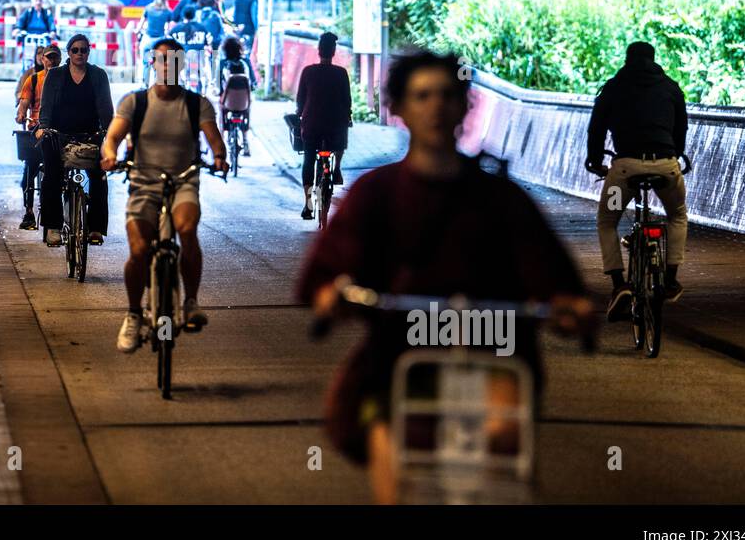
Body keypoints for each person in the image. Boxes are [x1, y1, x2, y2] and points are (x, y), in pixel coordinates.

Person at [296, 50, 594, 504]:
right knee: (390, 447)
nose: (435, 106)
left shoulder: (501, 198)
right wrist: (330, 295)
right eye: (422, 96)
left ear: (463, 107)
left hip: (494, 357)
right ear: (400, 109)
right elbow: (325, 273)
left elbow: (552, 275)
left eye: (446, 96)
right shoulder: (375, 194)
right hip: (399, 359)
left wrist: (569, 306)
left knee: (503, 446)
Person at [101, 38, 228, 352]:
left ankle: (191, 303)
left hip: (183, 182)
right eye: (162, 60)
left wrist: (219, 156)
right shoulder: (135, 102)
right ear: (153, 64)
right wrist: (109, 155)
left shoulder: (197, 103)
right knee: (139, 249)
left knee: (187, 229)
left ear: (182, 65)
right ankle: (133, 314)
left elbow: (215, 139)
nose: (167, 65)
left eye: (174, 60)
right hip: (143, 184)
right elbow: (112, 137)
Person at [585, 41, 691, 317]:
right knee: (677, 215)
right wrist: (674, 155)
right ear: (653, 59)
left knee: (607, 221)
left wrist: (595, 160)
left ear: (627, 59)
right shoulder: (671, 87)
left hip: (625, 169)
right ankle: (670, 279)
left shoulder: (613, 87)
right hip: (666, 167)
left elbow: (595, 127)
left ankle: (620, 285)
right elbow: (682, 127)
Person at [36, 34, 115, 248]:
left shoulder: (98, 75)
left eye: (84, 50)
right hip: (58, 133)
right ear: (69, 53)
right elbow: (47, 106)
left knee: (99, 175)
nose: (80, 54)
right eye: (75, 50)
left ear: (89, 53)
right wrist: (43, 128)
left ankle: (96, 227)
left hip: (90, 134)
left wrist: (110, 134)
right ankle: (53, 226)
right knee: (52, 174)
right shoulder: (56, 75)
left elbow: (106, 108)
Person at [295, 32, 352, 218]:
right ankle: (336, 169)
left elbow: (300, 100)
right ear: (334, 51)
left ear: (318, 51)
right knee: (341, 138)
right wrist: (346, 116)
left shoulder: (308, 71)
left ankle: (308, 204)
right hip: (335, 126)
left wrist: (300, 114)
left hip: (312, 125)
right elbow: (347, 101)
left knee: (309, 160)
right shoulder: (341, 73)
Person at [16, 45, 61, 230]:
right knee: (30, 166)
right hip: (36, 129)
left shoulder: (65, 80)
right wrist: (20, 114)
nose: (52, 61)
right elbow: (23, 103)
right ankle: (28, 212)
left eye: (55, 58)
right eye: (48, 58)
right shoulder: (34, 80)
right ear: (42, 59)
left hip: (59, 130)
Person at [219, 59, 254, 158]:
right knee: (247, 114)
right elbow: (249, 94)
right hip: (243, 106)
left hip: (229, 105)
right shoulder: (245, 78)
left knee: (221, 112)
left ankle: (221, 141)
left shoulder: (230, 78)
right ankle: (245, 141)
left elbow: (224, 95)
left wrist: (221, 102)